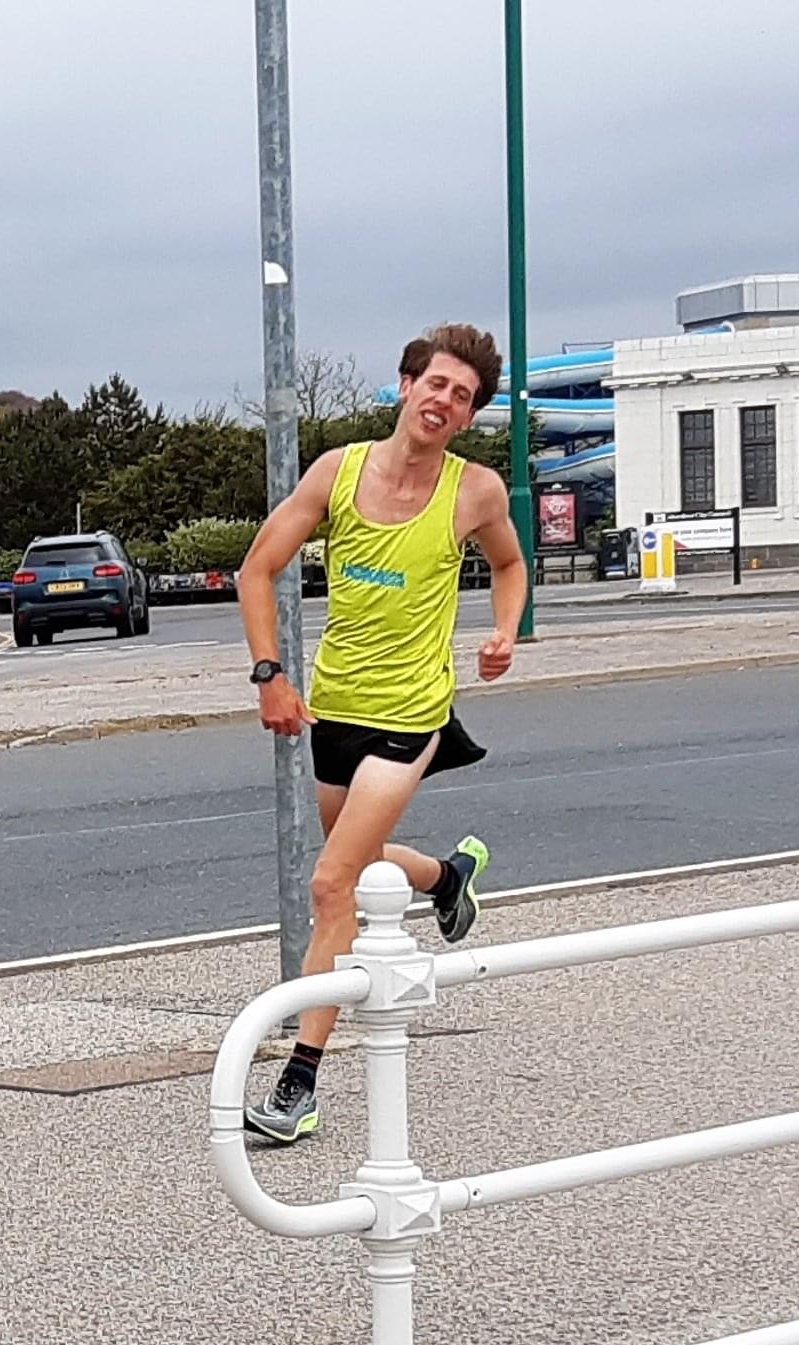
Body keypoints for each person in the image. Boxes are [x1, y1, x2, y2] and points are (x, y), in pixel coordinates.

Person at [236, 322, 527, 1146]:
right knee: (357, 865)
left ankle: (299, 1085)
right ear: (406, 386)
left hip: (411, 715)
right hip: (337, 708)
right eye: (436, 384)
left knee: (332, 886)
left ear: (468, 417)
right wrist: (271, 676)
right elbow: (258, 568)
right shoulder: (339, 471)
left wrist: (505, 630)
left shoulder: (474, 493)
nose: (444, 401)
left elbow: (508, 563)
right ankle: (445, 877)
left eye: (462, 396)